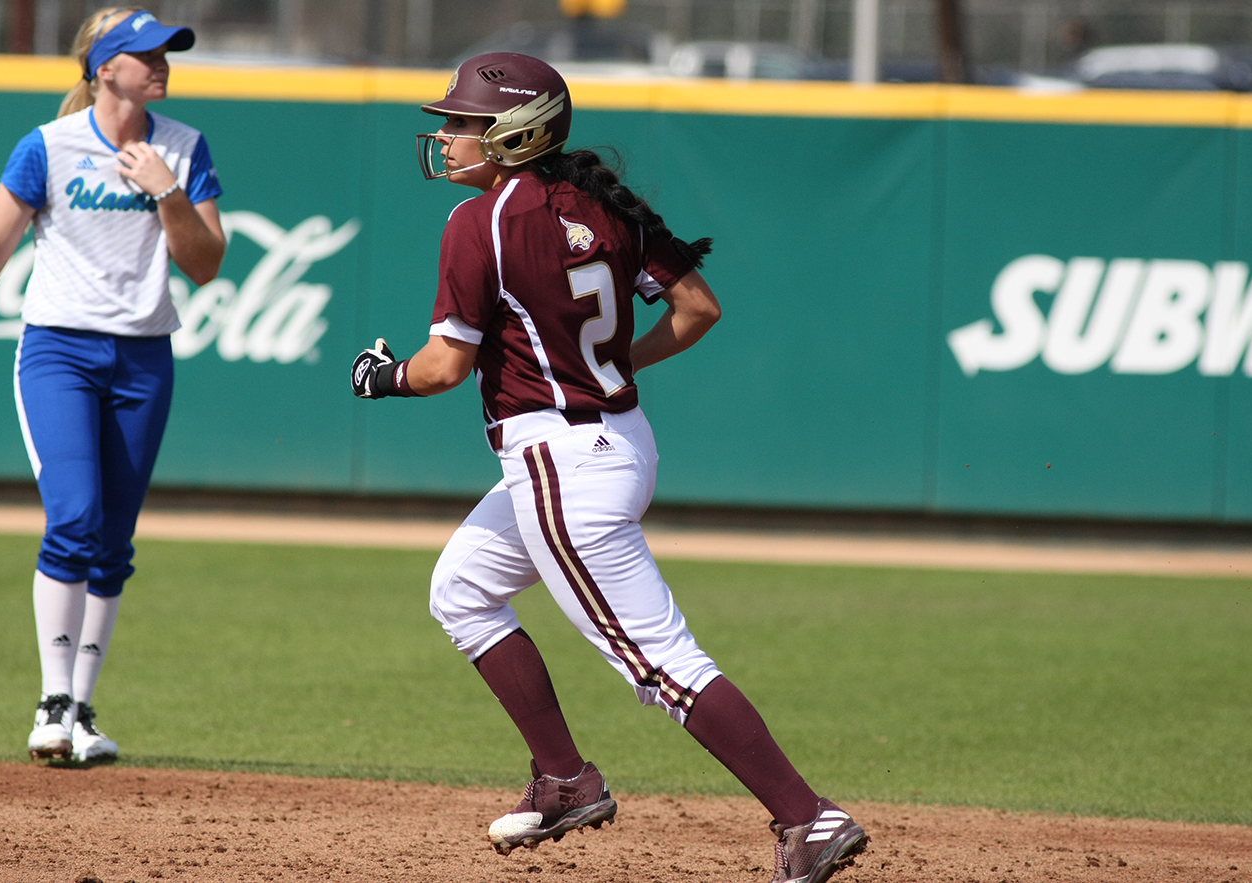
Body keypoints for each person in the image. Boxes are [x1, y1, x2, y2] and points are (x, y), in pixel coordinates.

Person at [350, 52, 867, 883]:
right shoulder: (604, 201)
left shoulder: (478, 222)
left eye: (464, 123)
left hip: (561, 463)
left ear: (514, 133)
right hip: (616, 438)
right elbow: (699, 308)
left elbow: (444, 367)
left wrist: (383, 379)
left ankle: (809, 816)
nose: (446, 137)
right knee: (463, 588)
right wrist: (613, 362)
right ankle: (564, 778)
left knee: (658, 659)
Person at [0, 7, 225, 762]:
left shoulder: (182, 148)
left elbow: (206, 261)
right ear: (102, 68)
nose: (161, 64)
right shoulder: (48, 147)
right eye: (144, 53)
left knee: (113, 541)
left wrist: (167, 193)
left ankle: (83, 711)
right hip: (59, 351)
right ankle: (51, 703)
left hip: (145, 358)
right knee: (75, 517)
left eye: (166, 53)